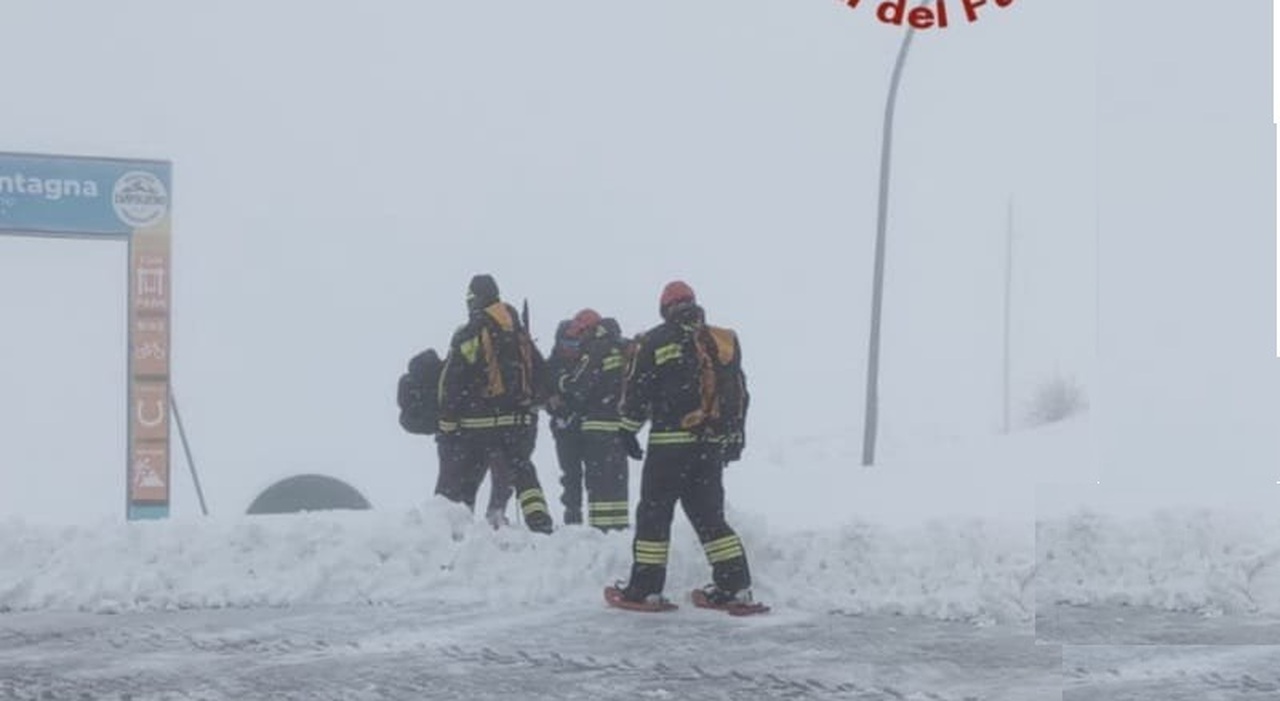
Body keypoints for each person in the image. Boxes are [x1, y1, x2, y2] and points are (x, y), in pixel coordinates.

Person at [610, 281, 755, 608]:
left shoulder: (656, 340)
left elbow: (639, 390)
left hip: (669, 447)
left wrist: (627, 431)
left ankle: (644, 589)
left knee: (654, 516)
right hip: (709, 447)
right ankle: (735, 586)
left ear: (665, 309)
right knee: (710, 517)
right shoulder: (720, 342)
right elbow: (740, 393)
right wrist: (734, 437)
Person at [436, 273, 554, 533]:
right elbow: (541, 369)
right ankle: (540, 523)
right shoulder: (518, 330)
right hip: (518, 422)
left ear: (475, 299)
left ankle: (459, 530)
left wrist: (447, 421)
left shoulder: (471, 332)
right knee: (523, 473)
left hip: (480, 423)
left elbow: (453, 379)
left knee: (467, 478)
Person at [559, 311, 632, 531]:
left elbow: (579, 383)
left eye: (580, 332)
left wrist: (563, 383)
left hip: (597, 427)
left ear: (589, 329)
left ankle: (600, 534)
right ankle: (618, 531)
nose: (579, 339)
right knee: (617, 484)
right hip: (620, 428)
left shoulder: (596, 348)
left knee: (598, 484)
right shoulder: (622, 346)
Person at [544, 317, 588, 525]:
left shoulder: (587, 363)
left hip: (586, 427)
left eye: (575, 344)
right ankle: (573, 516)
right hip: (563, 430)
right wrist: (553, 403)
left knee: (595, 475)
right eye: (567, 344)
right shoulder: (551, 366)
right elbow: (544, 391)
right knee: (570, 475)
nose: (571, 349)